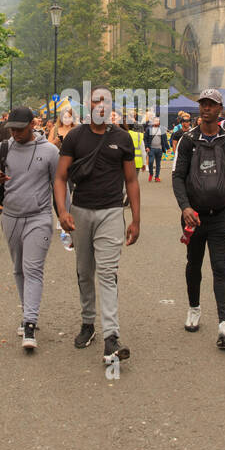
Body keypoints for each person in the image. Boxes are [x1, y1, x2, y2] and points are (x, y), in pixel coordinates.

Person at [54, 86, 140, 365]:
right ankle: (88, 323)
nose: (100, 106)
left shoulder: (123, 138)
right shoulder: (75, 138)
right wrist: (62, 211)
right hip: (80, 212)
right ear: (87, 106)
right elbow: (60, 177)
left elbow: (131, 181)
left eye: (105, 102)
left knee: (107, 272)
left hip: (112, 213)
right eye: (95, 101)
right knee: (84, 271)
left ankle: (111, 337)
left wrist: (136, 219)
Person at [0, 107, 59, 350]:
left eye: (20, 129)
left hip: (39, 217)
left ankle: (29, 323)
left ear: (32, 125)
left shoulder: (49, 151)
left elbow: (59, 185)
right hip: (11, 217)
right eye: (12, 129)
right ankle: (27, 312)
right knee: (19, 269)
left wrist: (65, 217)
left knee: (33, 269)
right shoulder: (3, 148)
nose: (15, 133)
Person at [173, 89, 225, 346]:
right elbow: (178, 176)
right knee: (194, 264)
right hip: (194, 218)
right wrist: (185, 208)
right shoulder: (188, 140)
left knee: (220, 267)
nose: (206, 108)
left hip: (220, 217)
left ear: (219, 108)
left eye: (211, 105)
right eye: (203, 104)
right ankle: (194, 307)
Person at [145, 115, 166, 181]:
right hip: (151, 149)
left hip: (159, 149)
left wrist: (167, 148)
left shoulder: (162, 129)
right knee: (150, 162)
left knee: (158, 164)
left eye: (157, 121)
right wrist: (147, 147)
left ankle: (157, 177)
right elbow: (145, 139)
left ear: (159, 122)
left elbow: (164, 139)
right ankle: (151, 173)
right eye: (155, 121)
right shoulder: (149, 129)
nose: (156, 122)